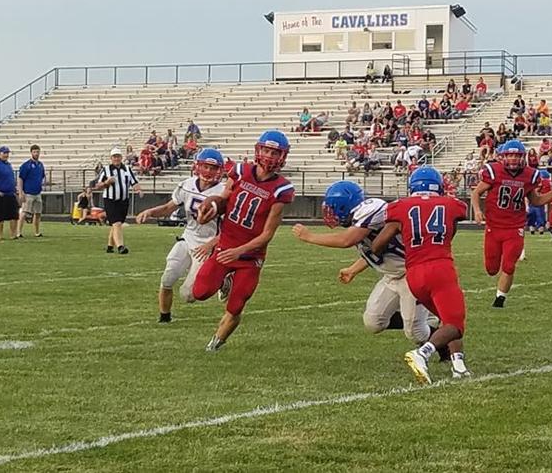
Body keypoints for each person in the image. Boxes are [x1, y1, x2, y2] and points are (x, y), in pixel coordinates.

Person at [292, 180, 434, 346]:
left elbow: (347, 240)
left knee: (416, 334)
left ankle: (440, 338)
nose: (330, 212)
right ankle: (416, 320)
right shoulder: (361, 221)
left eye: (332, 207)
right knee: (373, 322)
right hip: (391, 276)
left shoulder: (372, 208)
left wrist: (310, 237)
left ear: (344, 205)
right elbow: (374, 250)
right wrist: (354, 269)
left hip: (412, 274)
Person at [193, 130, 294, 351]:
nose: (269, 156)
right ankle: (224, 280)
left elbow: (267, 234)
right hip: (224, 247)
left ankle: (214, 345)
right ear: (258, 150)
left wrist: (240, 251)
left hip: (250, 257)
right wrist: (208, 206)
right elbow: (222, 200)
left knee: (236, 305)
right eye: (266, 150)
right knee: (199, 292)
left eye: (274, 152)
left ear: (282, 157)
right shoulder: (240, 171)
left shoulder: (281, 189)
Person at [372, 166, 471, 384]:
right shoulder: (452, 204)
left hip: (414, 275)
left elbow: (377, 245)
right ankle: (422, 354)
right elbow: (450, 230)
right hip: (440, 268)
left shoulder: (399, 208)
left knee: (448, 320)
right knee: (456, 324)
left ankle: (459, 366)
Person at [136, 149, 226, 323]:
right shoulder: (187, 184)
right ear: (198, 166)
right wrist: (150, 211)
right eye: (205, 166)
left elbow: (231, 229)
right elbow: (168, 207)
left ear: (219, 170)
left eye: (213, 168)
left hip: (207, 244)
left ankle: (222, 279)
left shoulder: (224, 193)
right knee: (167, 278)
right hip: (188, 238)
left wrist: (211, 245)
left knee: (188, 295)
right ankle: (164, 318)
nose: (208, 171)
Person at [471, 141, 552, 308]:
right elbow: (476, 192)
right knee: (491, 269)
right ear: (503, 157)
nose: (513, 158)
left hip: (515, 227)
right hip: (493, 226)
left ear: (523, 157)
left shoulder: (530, 175)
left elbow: (536, 200)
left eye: (517, 155)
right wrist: (477, 210)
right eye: (510, 155)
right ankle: (499, 292)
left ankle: (500, 299)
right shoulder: (494, 171)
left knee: (509, 265)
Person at [94, 147, 142, 254]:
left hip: (123, 200)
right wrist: (107, 182)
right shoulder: (106, 170)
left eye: (118, 156)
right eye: (114, 157)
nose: (116, 159)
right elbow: (98, 185)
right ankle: (120, 246)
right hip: (110, 200)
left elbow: (134, 182)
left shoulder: (127, 169)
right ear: (111, 158)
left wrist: (138, 190)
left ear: (121, 157)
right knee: (116, 223)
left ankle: (110, 246)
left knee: (117, 224)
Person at [17, 145, 46, 238]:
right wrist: (21, 192)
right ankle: (19, 232)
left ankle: (37, 232)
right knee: (24, 212)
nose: (36, 154)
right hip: (28, 193)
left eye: (37, 152)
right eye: (34, 152)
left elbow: (41, 177)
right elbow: (20, 179)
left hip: (37, 193)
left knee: (38, 213)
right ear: (31, 153)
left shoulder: (40, 165)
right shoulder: (26, 165)